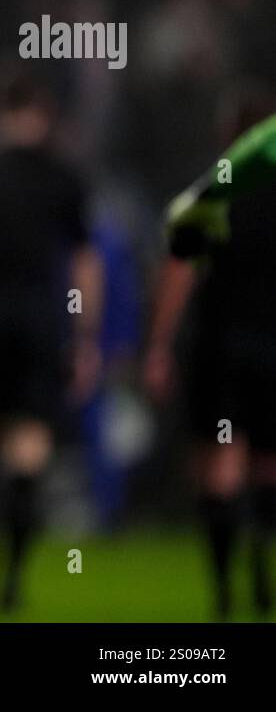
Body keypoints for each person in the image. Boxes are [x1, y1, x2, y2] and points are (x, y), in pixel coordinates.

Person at [0, 73, 102, 612]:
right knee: (28, 448)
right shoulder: (66, 180)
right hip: (42, 325)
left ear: (1, 112)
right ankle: (12, 572)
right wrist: (85, 338)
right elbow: (85, 264)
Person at [145, 101, 276, 618]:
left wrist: (158, 346)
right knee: (269, 464)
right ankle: (263, 560)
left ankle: (224, 588)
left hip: (221, 347)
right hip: (274, 349)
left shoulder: (217, 191)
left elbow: (178, 268)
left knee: (219, 467)